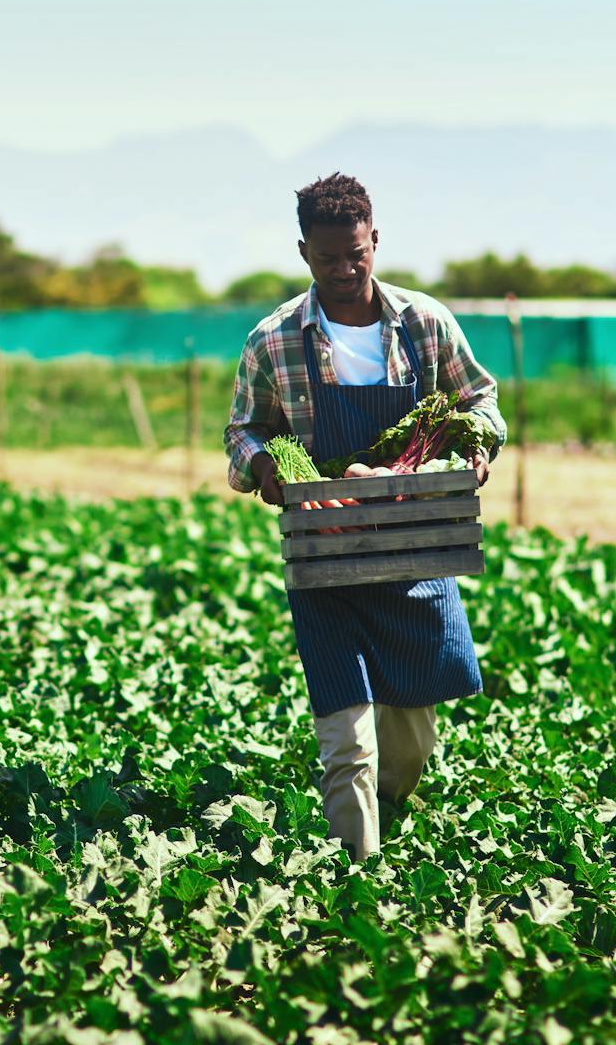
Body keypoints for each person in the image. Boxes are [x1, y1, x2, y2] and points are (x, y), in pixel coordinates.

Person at [223, 172, 506, 861]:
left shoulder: (425, 323)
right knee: (347, 742)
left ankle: (390, 828)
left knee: (410, 745)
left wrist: (476, 450)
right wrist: (264, 468)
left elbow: (481, 400)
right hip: (327, 556)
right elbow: (244, 430)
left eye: (357, 254)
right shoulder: (273, 340)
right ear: (303, 253)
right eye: (328, 258)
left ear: (375, 240)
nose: (345, 270)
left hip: (415, 552)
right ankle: (355, 873)